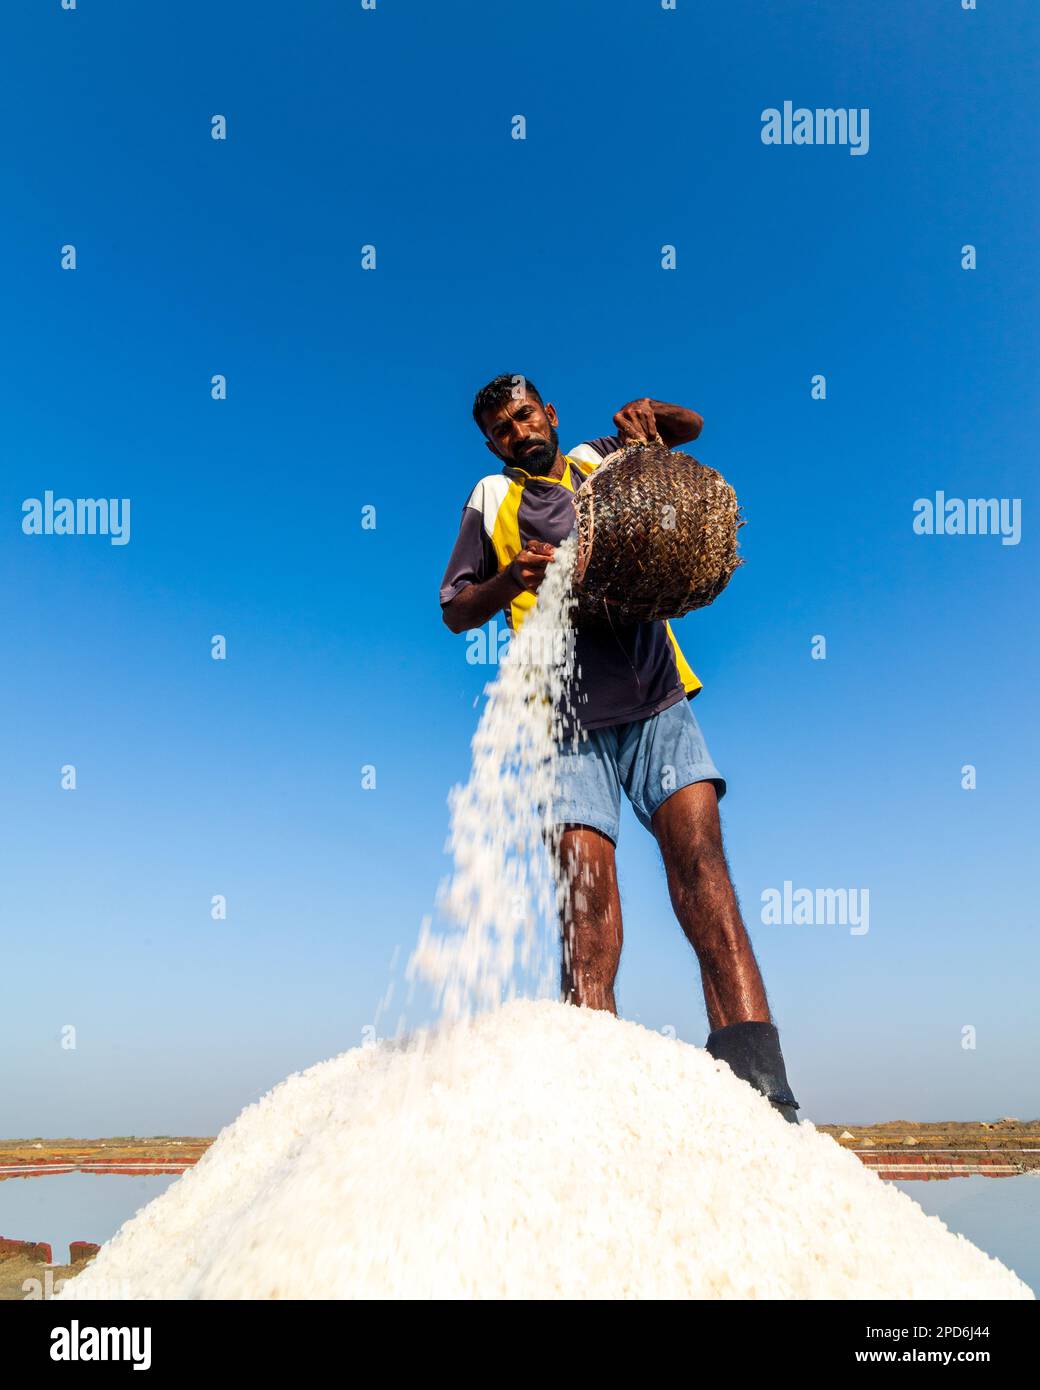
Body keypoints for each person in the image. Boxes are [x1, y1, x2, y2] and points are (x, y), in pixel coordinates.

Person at [439, 375, 800, 1122]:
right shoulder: (490, 498)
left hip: (655, 695)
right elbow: (454, 610)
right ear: (491, 444)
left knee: (702, 870)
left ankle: (761, 1090)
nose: (517, 431)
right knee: (587, 899)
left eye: (525, 414)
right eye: (502, 428)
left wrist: (652, 414)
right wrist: (512, 578)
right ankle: (590, 1094)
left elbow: (691, 425)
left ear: (550, 414)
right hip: (564, 718)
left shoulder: (595, 460)